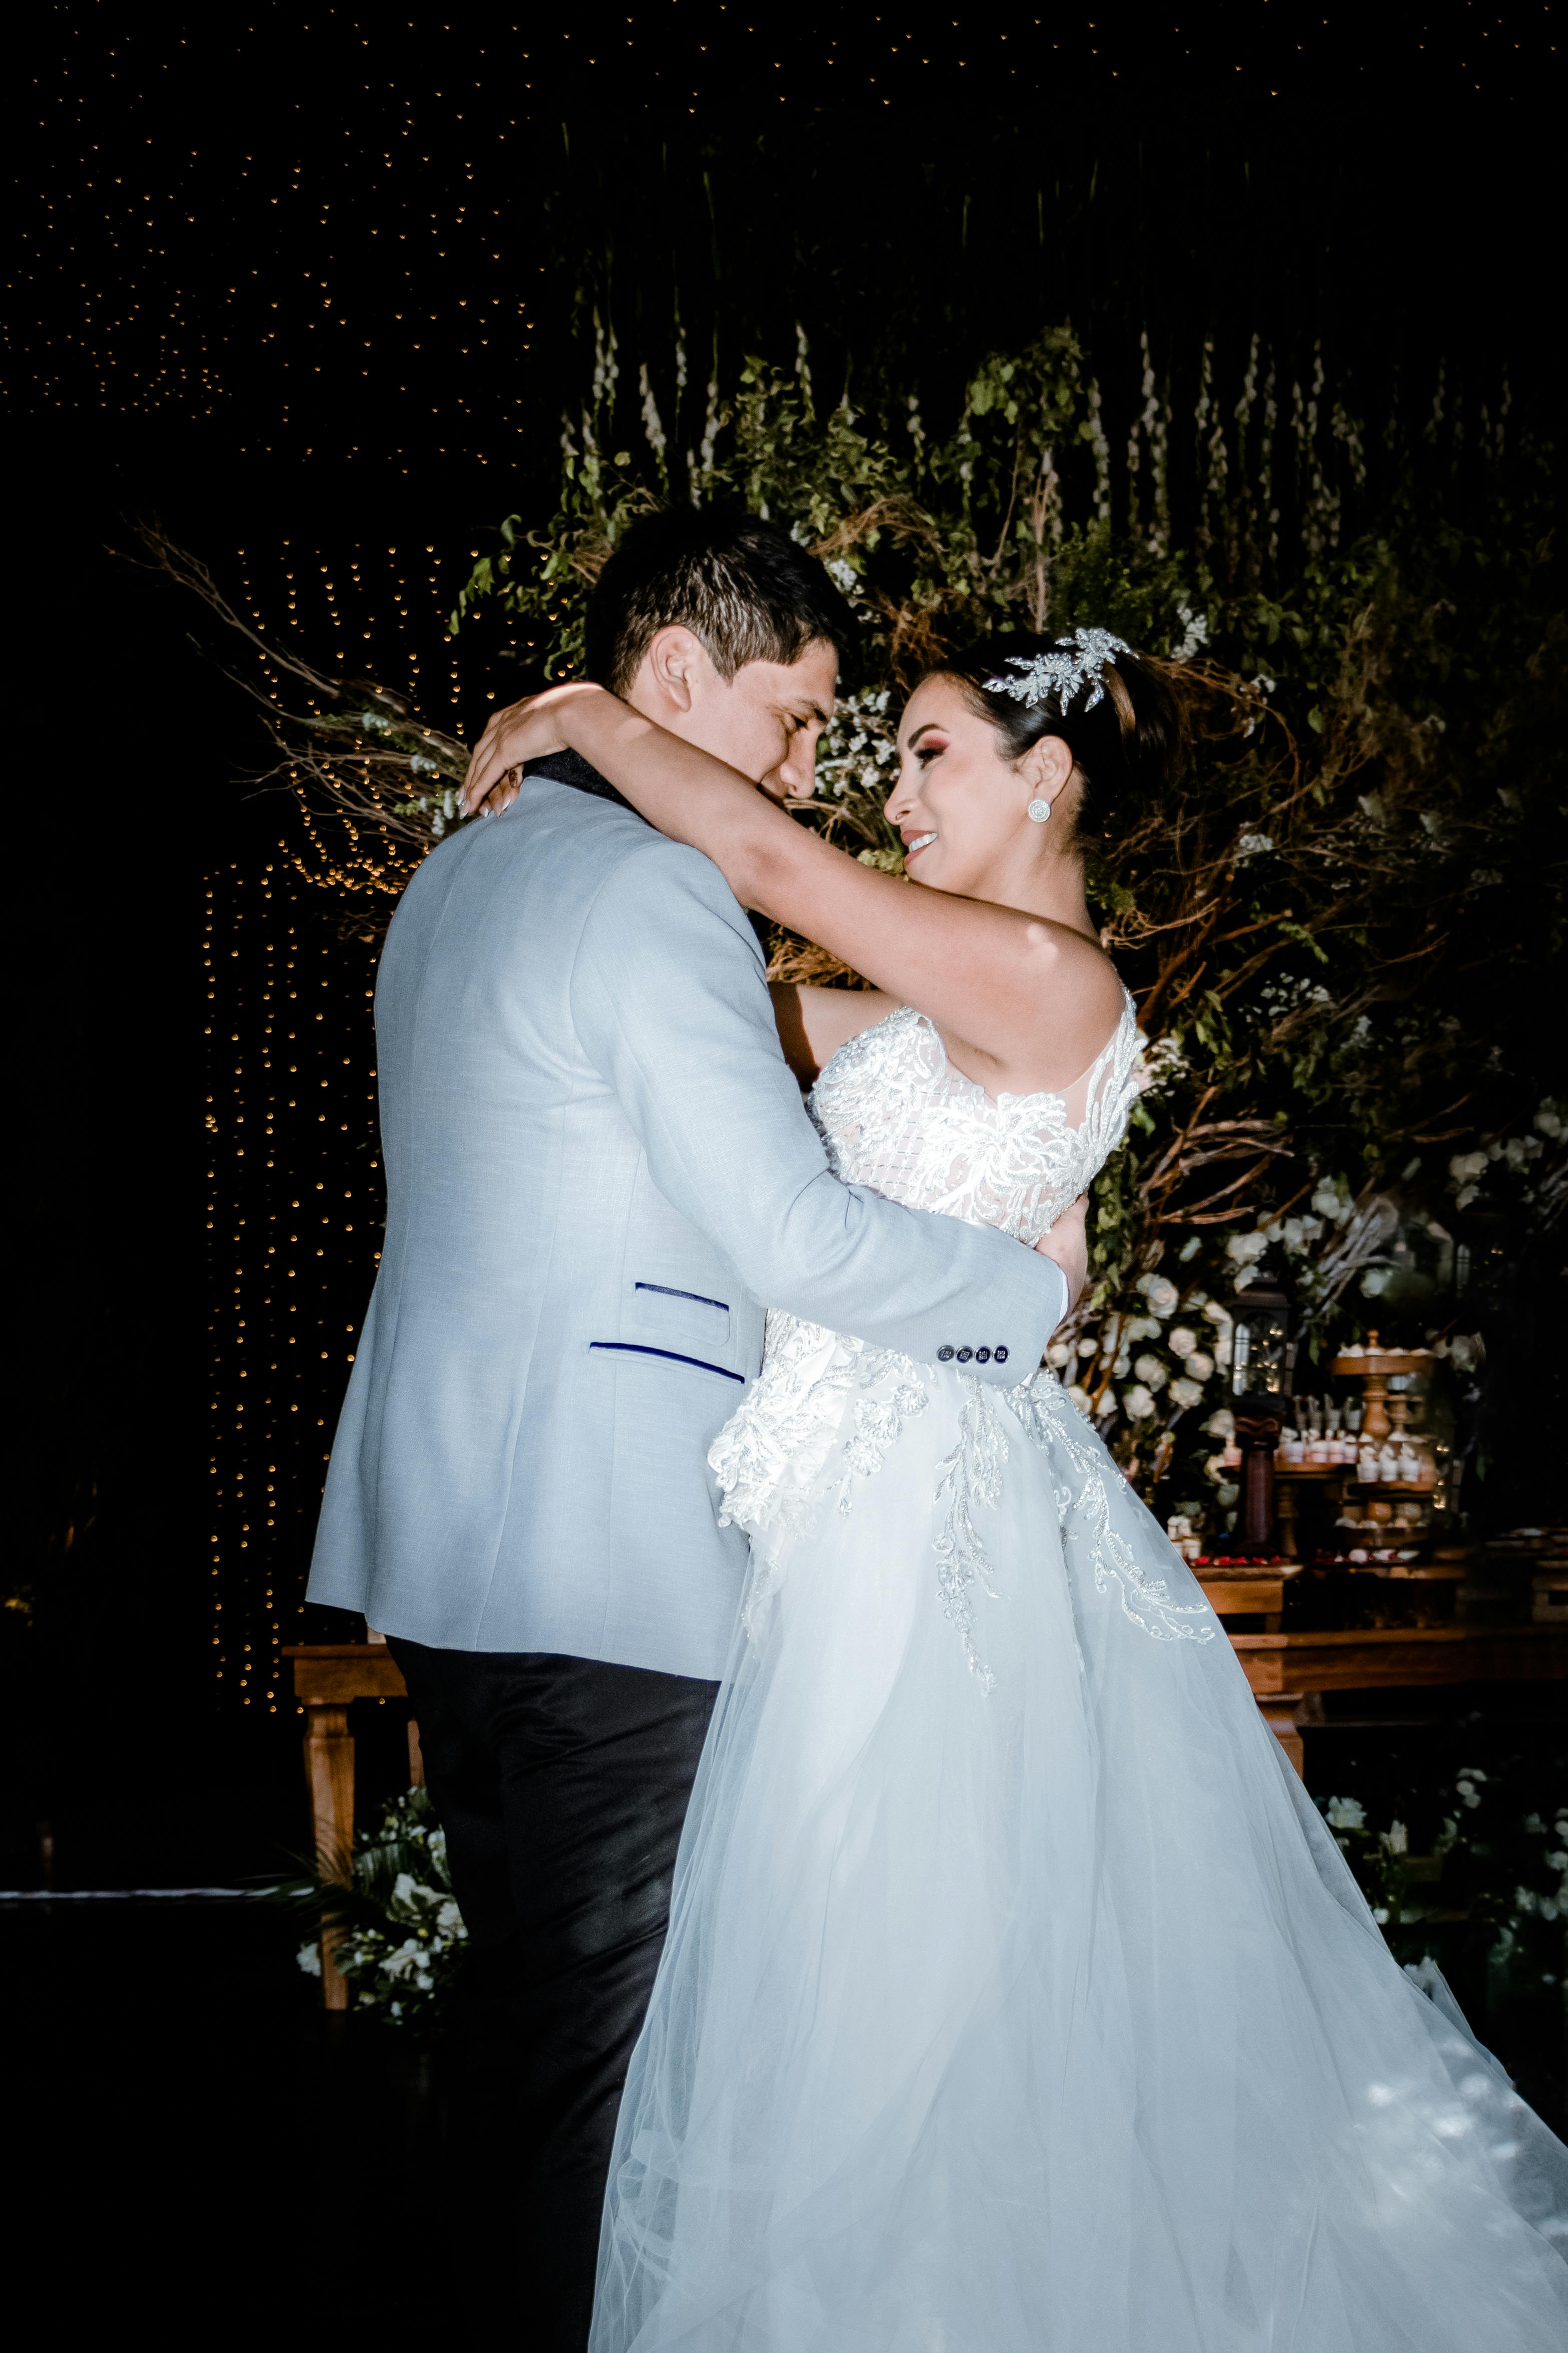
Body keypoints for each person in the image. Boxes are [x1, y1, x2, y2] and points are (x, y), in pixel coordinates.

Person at [463, 625, 1568, 2350]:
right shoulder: (940, 996)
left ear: (1041, 775)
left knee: (902, 1985)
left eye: (925, 754)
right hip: (827, 1514)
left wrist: (578, 716)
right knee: (837, 1988)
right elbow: (734, 1011)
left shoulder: (1058, 983)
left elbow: (760, 861)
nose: (888, 790)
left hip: (920, 1535)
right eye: (891, 755)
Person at [306, 509, 1083, 2345]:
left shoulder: (455, 869)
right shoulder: (655, 893)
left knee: (524, 2045)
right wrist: (1030, 1296)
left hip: (444, 1558)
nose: (811, 771)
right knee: (600, 2088)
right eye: (795, 717)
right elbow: (794, 1239)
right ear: (672, 680)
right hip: (619, 1564)